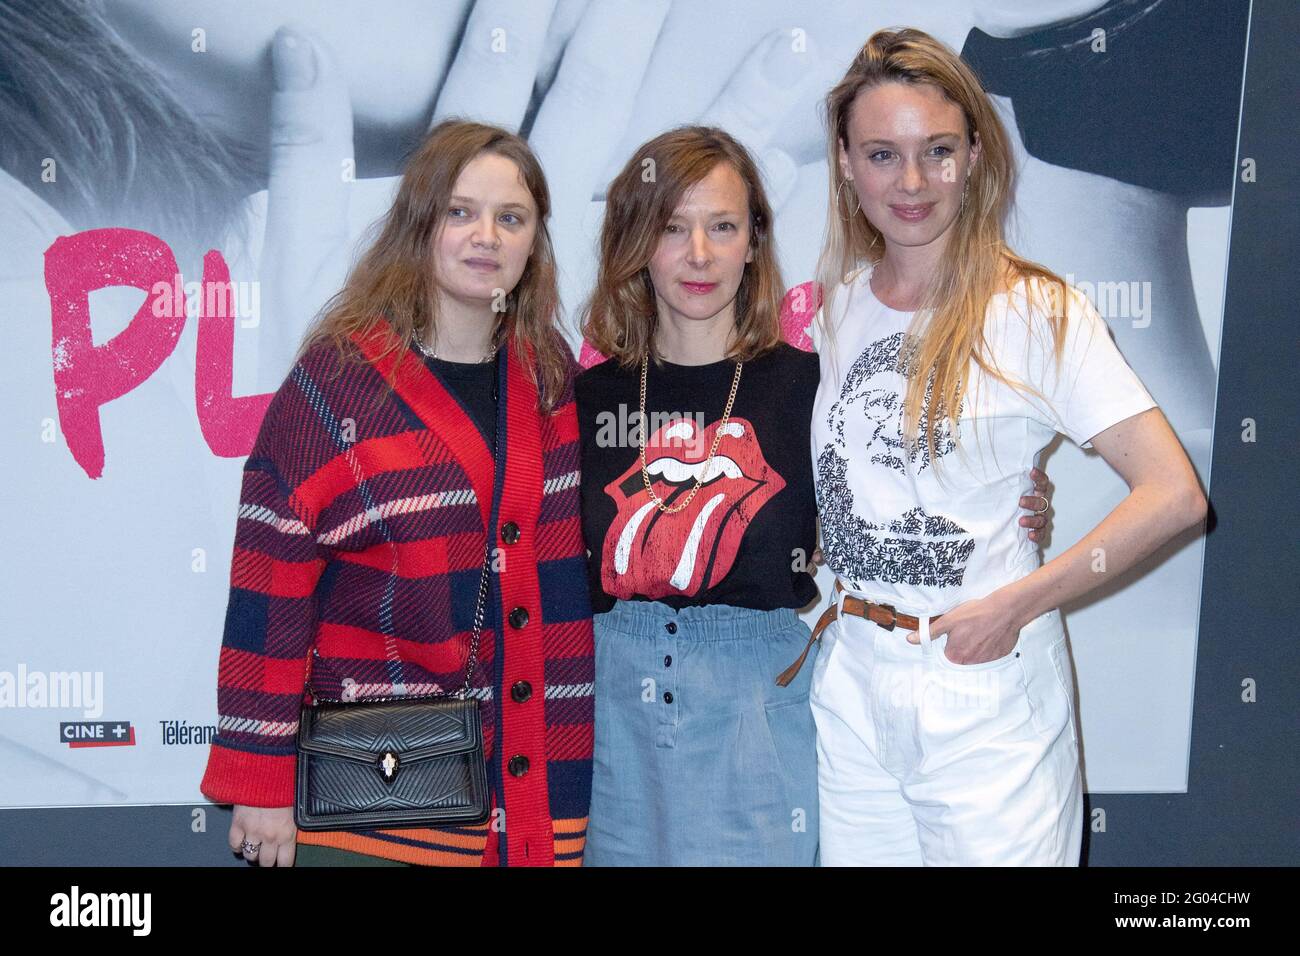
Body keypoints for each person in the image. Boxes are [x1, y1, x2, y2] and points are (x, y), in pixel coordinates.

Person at [574, 126, 1051, 865]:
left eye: (723, 226)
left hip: (755, 711)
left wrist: (1012, 495)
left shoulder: (811, 384)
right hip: (608, 716)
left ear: (754, 241)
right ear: (636, 239)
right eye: (672, 227)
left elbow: (905, 491)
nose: (699, 254)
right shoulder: (585, 398)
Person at [805, 29, 1207, 866]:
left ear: (977, 153)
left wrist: (1019, 602)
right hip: (850, 681)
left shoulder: (1036, 311)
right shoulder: (835, 311)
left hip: (981, 685)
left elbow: (1174, 494)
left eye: (938, 152)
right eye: (883, 154)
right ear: (844, 162)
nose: (911, 182)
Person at [197, 119, 594, 867]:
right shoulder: (336, 384)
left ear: (535, 241)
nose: (487, 236)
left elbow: (570, 585)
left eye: (511, 218)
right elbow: (269, 586)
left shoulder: (552, 382)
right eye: (460, 211)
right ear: (419, 223)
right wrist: (260, 778)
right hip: (374, 808)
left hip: (536, 798)